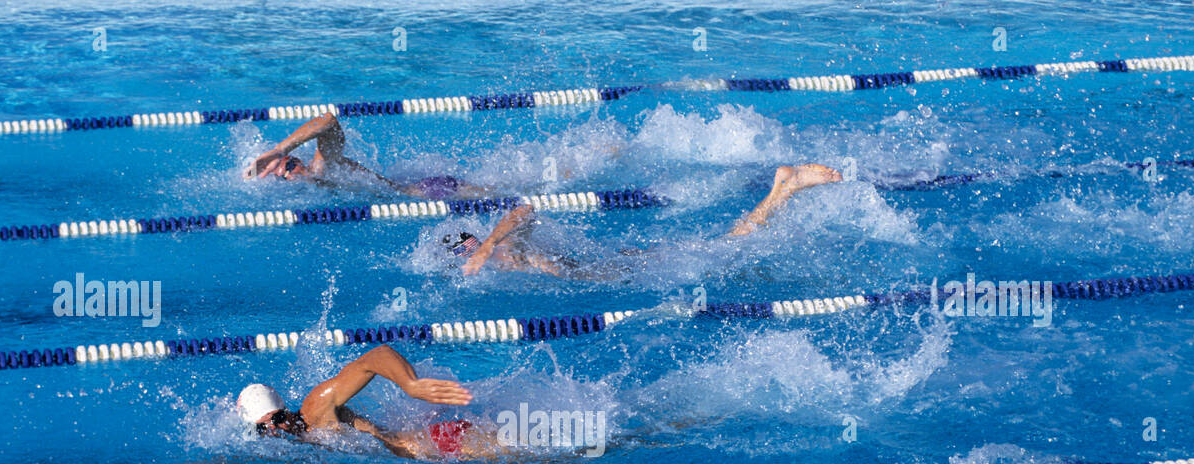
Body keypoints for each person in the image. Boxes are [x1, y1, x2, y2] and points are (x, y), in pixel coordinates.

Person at [452, 162, 844, 279]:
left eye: (472, 254)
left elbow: (523, 210)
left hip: (628, 265)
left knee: (730, 249)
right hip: (626, 263)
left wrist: (487, 247)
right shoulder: (509, 260)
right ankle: (782, 192)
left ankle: (783, 190)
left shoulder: (507, 248)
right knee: (728, 249)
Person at [235, 343, 500, 460]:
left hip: (443, 444)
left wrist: (411, 385)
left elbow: (375, 357)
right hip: (434, 454)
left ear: (285, 412)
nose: (274, 429)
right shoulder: (298, 442)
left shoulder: (315, 408)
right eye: (262, 428)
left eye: (277, 419)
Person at [244, 112, 490, 200]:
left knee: (506, 196)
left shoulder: (322, 167)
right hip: (426, 192)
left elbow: (328, 121)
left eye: (290, 167)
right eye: (283, 176)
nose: (291, 175)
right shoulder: (319, 185)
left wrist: (280, 150)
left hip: (433, 191)